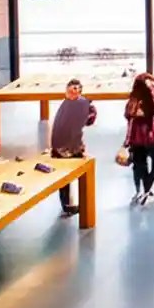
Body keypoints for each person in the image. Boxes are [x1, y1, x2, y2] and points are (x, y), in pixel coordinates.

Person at [49, 79, 97, 218]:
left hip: (73, 145)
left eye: (76, 89)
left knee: (77, 174)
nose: (73, 92)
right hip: (62, 145)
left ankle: (75, 203)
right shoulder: (68, 104)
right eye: (71, 89)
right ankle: (67, 205)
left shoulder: (79, 104)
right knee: (64, 177)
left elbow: (87, 121)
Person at [124, 73, 154, 206]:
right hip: (151, 135)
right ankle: (145, 189)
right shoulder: (145, 97)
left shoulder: (136, 99)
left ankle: (142, 190)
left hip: (141, 136)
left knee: (140, 164)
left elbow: (129, 114)